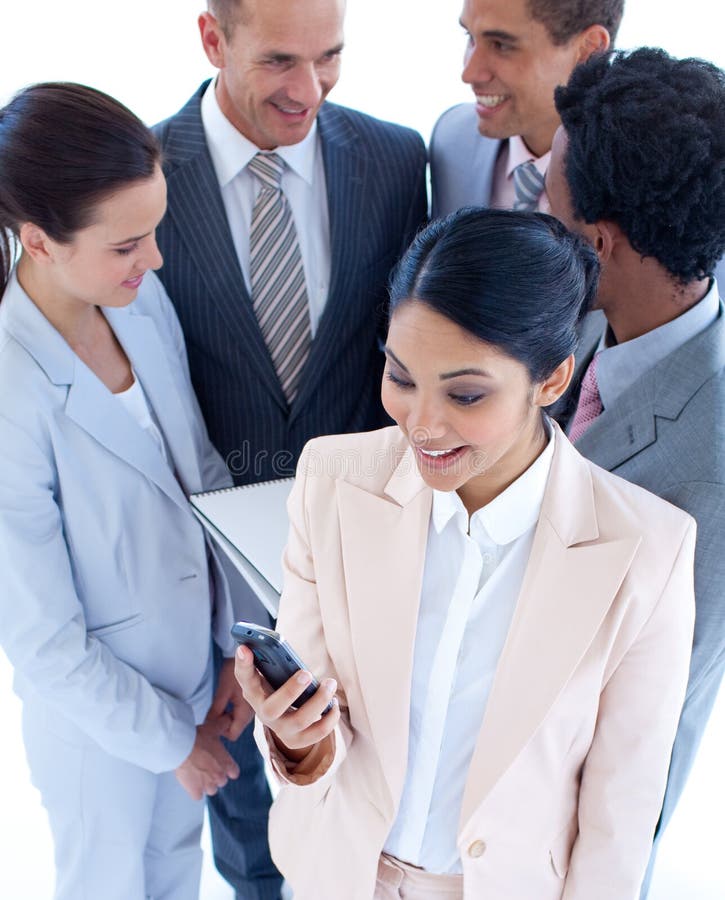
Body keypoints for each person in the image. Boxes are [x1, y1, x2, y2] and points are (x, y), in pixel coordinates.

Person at [235, 208, 697, 900]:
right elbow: (321, 737)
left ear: (551, 380)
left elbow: (618, 812)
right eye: (400, 376)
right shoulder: (333, 480)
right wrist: (296, 738)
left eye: (466, 393)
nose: (421, 422)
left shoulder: (645, 549)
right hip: (340, 878)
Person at [153, 0, 427, 894]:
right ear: (211, 38)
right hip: (220, 598)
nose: (308, 90)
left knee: (373, 813)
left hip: (368, 576)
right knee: (253, 845)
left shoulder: (393, 161)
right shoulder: (146, 172)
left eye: (331, 58)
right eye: (278, 61)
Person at [0, 83, 250, 900]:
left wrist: (233, 648)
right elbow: (44, 638)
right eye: (127, 244)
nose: (156, 260)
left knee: (175, 880)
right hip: (100, 733)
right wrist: (171, 744)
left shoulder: (136, 303)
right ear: (38, 241)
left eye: (154, 232)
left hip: (193, 681)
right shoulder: (13, 390)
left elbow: (201, 475)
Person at [545, 47, 725, 897]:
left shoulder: (717, 463)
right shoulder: (590, 325)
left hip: (577, 828)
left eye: (553, 218)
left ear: (601, 243)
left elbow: (651, 715)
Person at [429, 0, 620, 219]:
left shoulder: (639, 181)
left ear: (590, 49)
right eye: (470, 37)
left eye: (501, 45)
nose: (469, 73)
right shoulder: (451, 141)